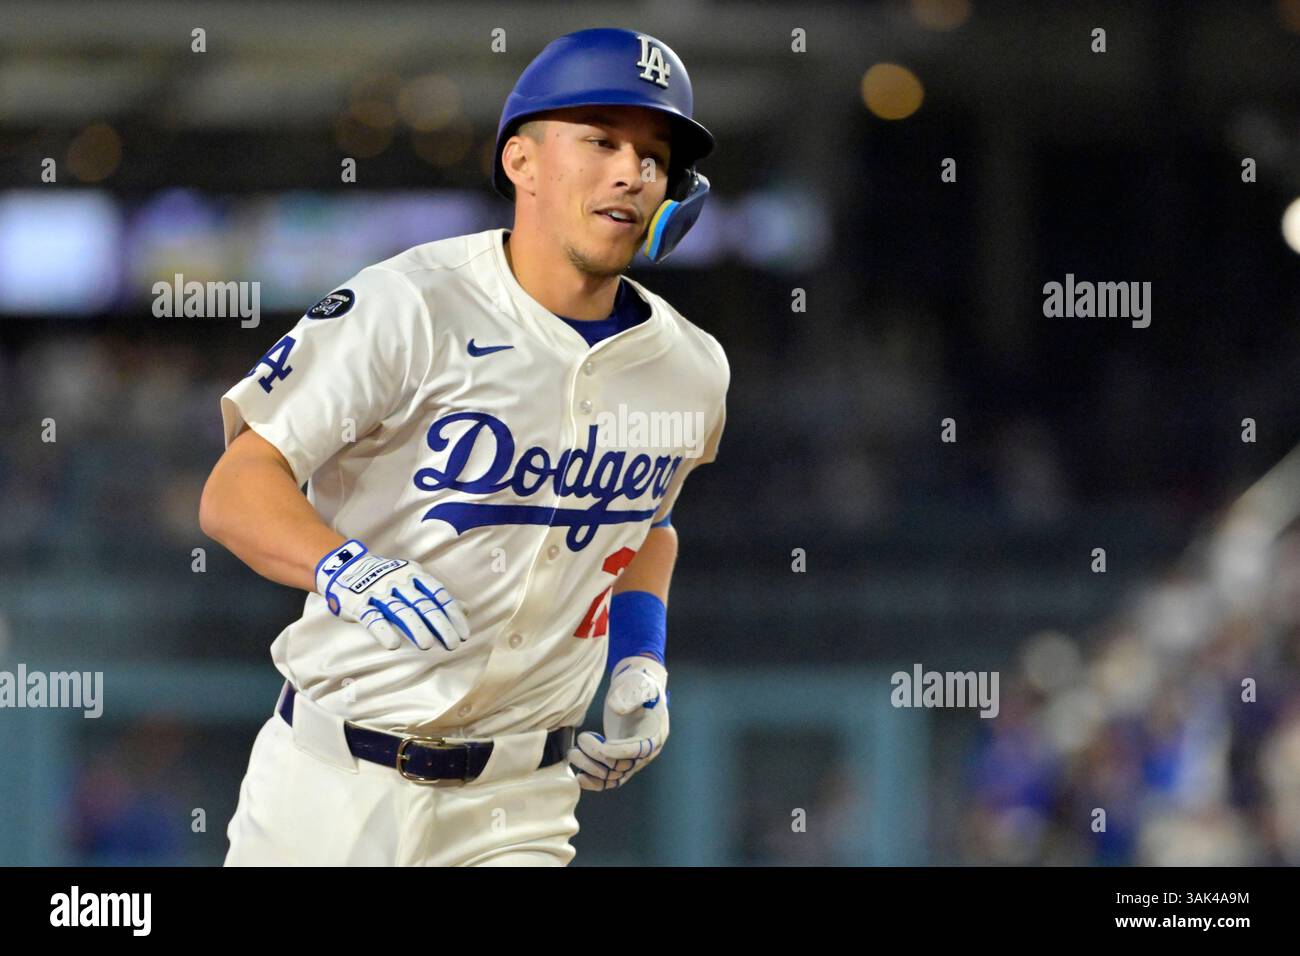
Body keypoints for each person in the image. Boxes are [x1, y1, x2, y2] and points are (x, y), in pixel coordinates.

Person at [200, 27, 729, 866]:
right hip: (328, 785)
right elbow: (236, 488)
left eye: (654, 156)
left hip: (516, 805)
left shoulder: (691, 369)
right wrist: (347, 568)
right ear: (520, 162)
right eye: (599, 141)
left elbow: (646, 528)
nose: (631, 172)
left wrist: (640, 661)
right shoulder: (409, 305)